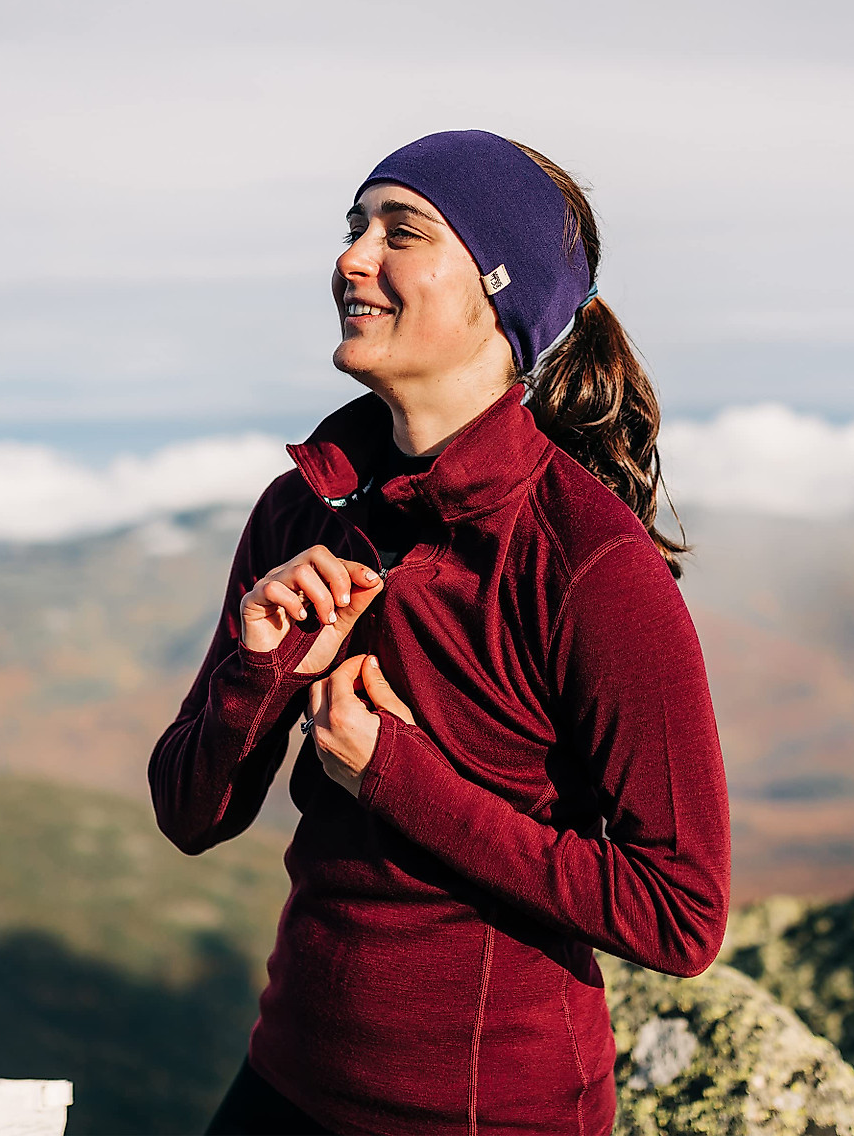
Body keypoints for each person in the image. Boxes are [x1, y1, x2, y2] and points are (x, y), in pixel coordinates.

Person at [148, 129, 732, 1136]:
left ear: (498, 296)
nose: (351, 258)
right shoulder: (302, 513)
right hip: (284, 1084)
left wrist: (391, 775)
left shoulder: (590, 563)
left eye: (401, 231)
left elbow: (678, 913)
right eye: (353, 227)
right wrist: (259, 671)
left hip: (491, 1117)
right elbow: (190, 815)